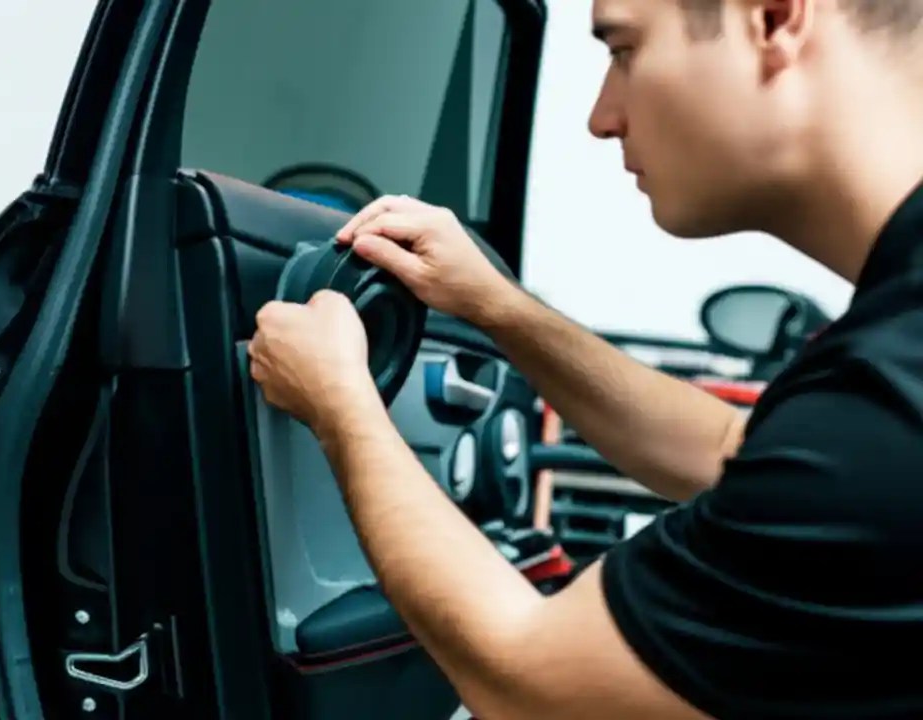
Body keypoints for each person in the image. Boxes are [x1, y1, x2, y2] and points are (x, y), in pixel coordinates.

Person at [246, 0, 923, 718]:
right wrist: (497, 305)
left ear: (774, 18)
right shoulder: (890, 358)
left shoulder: (887, 405)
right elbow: (727, 449)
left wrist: (340, 405)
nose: (603, 117)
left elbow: (525, 680)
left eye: (625, 50)